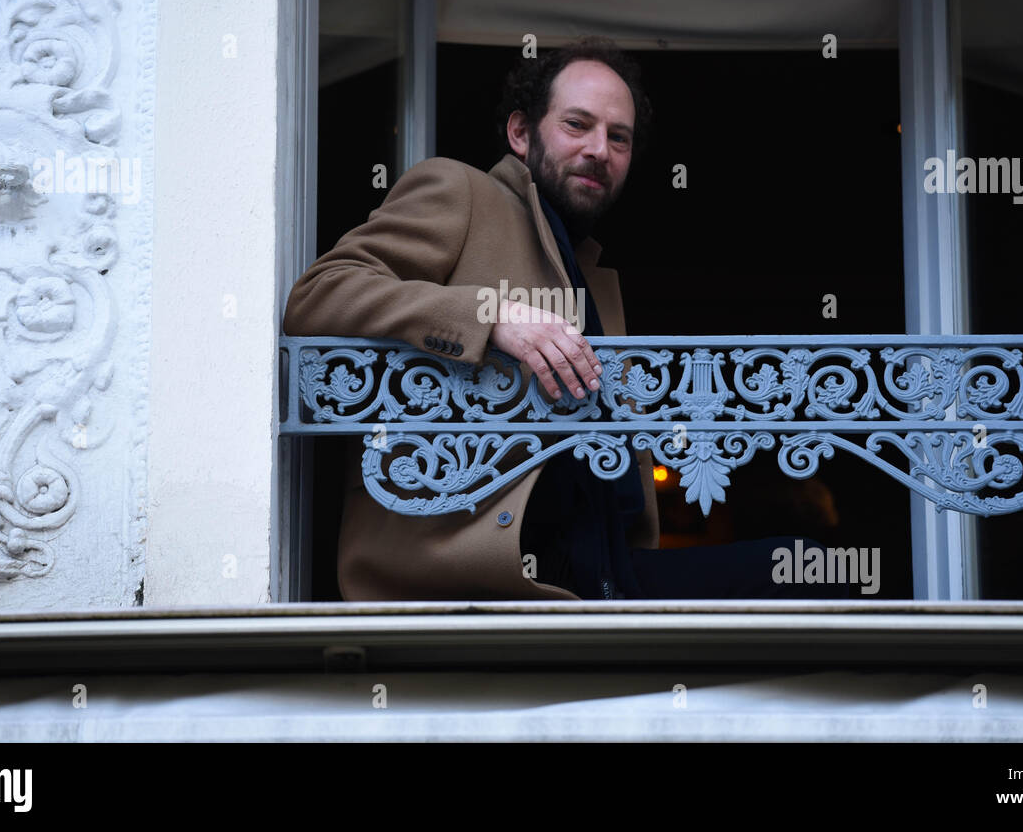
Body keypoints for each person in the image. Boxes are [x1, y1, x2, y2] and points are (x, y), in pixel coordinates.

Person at [283, 36, 852, 601]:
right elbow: (319, 295)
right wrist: (492, 316)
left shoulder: (587, 270)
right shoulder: (460, 190)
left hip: (604, 574)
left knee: (818, 568)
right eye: (577, 125)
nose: (600, 149)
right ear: (521, 133)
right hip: (477, 570)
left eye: (619, 137)